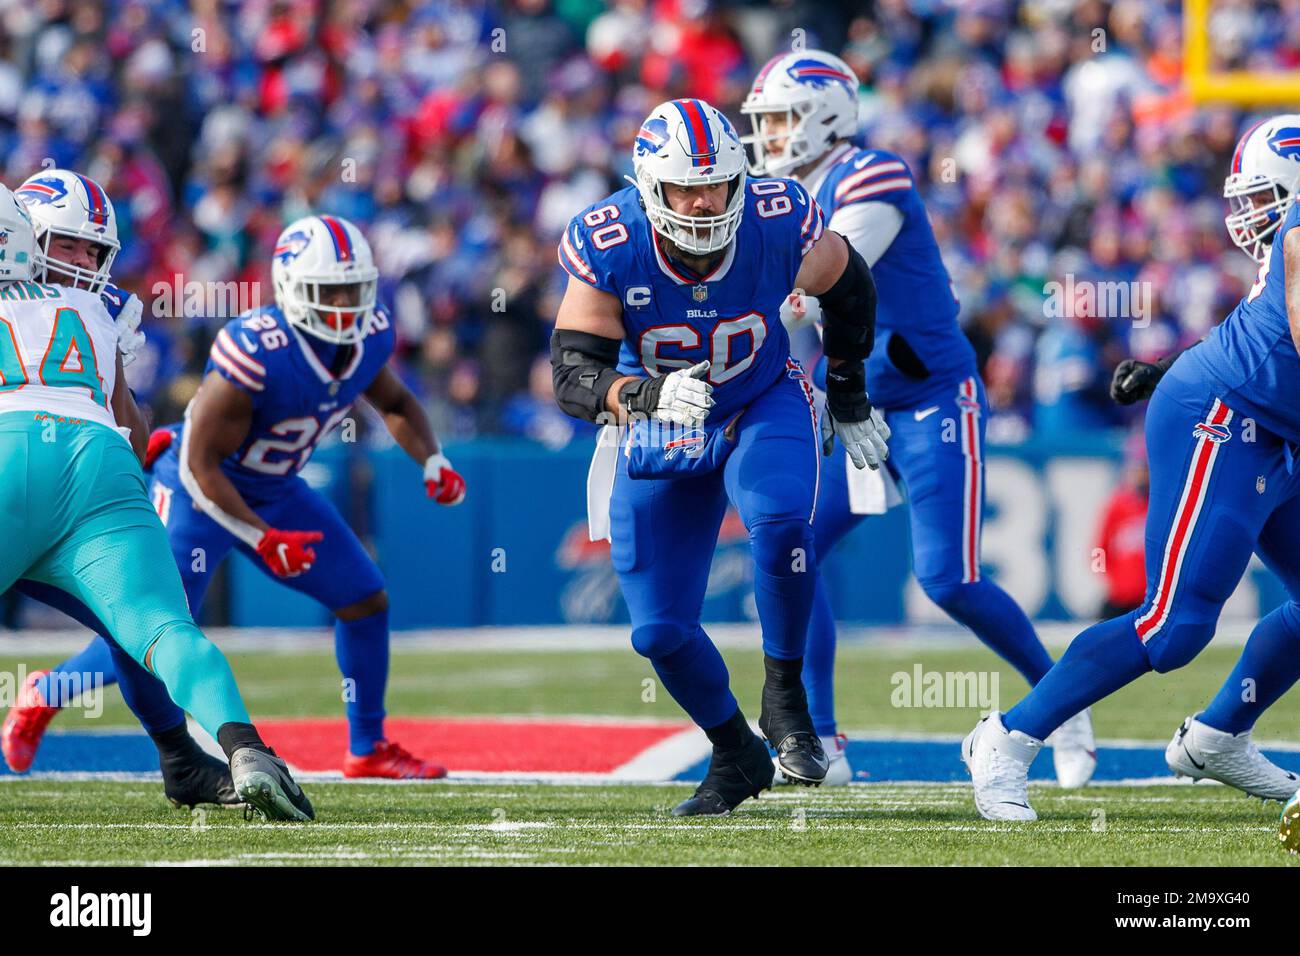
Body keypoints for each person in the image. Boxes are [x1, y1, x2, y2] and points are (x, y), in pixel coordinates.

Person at [742, 49, 1095, 787]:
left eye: (781, 117)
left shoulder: (874, 173)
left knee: (947, 579)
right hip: (850, 400)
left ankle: (1063, 703)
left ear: (828, 116)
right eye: (764, 120)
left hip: (929, 395)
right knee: (793, 548)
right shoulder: (776, 195)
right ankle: (823, 743)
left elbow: (825, 286)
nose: (769, 134)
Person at [13, 212, 465, 779]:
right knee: (152, 625)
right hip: (196, 491)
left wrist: (433, 460)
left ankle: (368, 745)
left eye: (355, 291)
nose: (347, 307)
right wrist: (262, 536)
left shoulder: (369, 336)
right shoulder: (256, 347)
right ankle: (49, 690)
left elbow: (395, 402)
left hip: (273, 487)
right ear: (296, 291)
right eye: (332, 293)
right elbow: (201, 465)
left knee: (365, 600)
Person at [551, 97, 889, 815]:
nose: (704, 201)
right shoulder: (609, 242)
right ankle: (735, 751)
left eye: (716, 183)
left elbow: (850, 287)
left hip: (760, 399)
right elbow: (573, 376)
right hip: (662, 424)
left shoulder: (776, 218)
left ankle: (786, 697)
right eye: (685, 187)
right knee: (657, 631)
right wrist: (643, 396)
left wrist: (848, 391)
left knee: (779, 522)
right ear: (650, 188)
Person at [965, 114, 1300, 823]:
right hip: (1226, 420)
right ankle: (1007, 736)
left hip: (1270, 424)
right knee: (1174, 627)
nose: (1249, 214)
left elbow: (1261, 329)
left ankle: (1216, 736)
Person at [0, 183, 311, 821]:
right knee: (159, 629)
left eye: (94, 253)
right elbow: (135, 435)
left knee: (145, 627)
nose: (84, 266)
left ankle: (187, 759)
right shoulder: (101, 313)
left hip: (11, 455)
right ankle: (240, 751)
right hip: (100, 469)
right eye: (71, 247)